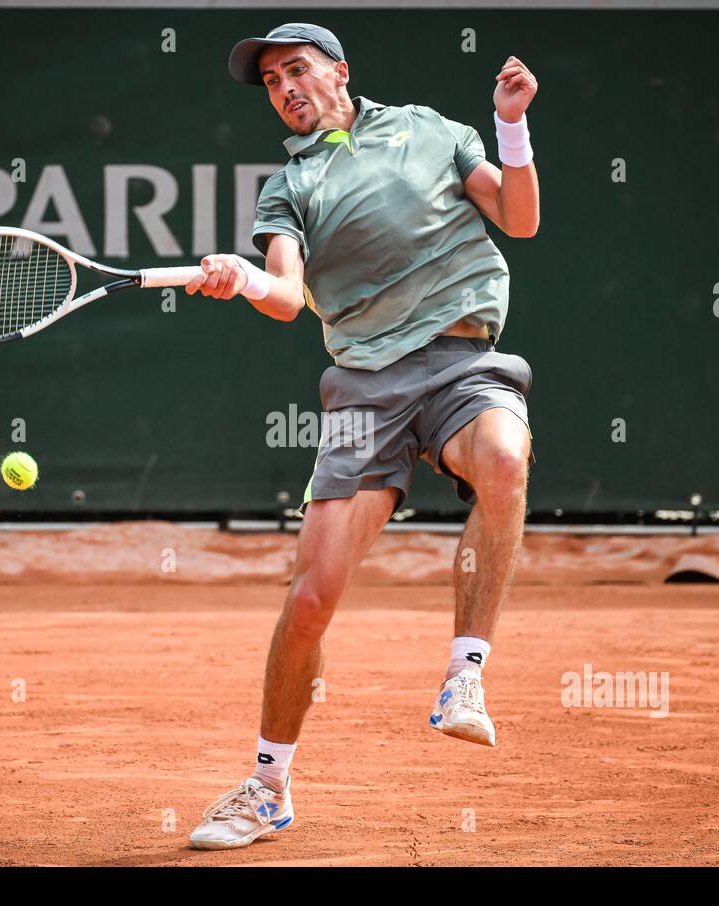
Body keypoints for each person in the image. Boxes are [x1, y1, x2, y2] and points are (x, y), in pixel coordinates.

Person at [184, 22, 540, 850]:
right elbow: (284, 293)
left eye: (296, 70)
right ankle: (267, 785)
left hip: (461, 357)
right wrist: (242, 279)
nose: (285, 88)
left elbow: (517, 221)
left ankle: (465, 674)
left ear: (340, 72)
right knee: (310, 598)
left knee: (504, 458)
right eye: (271, 82)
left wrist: (511, 125)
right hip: (362, 387)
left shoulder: (431, 129)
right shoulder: (290, 185)